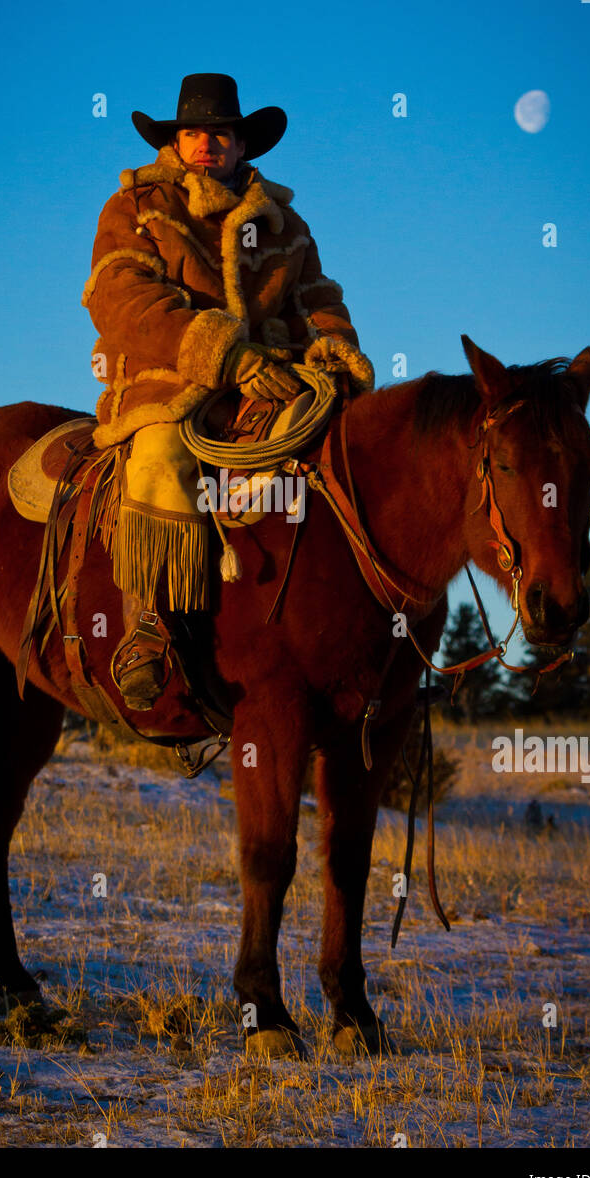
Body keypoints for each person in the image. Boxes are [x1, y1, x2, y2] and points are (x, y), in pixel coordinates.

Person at [83, 74, 374, 709]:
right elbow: (121, 298)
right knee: (161, 456)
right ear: (177, 141)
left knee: (341, 454)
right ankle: (150, 626)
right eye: (193, 132)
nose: (206, 143)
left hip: (276, 381)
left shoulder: (285, 223)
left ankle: (328, 620)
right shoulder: (135, 207)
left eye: (219, 132)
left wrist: (331, 346)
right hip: (167, 382)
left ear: (242, 144)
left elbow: (317, 299)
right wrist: (225, 354)